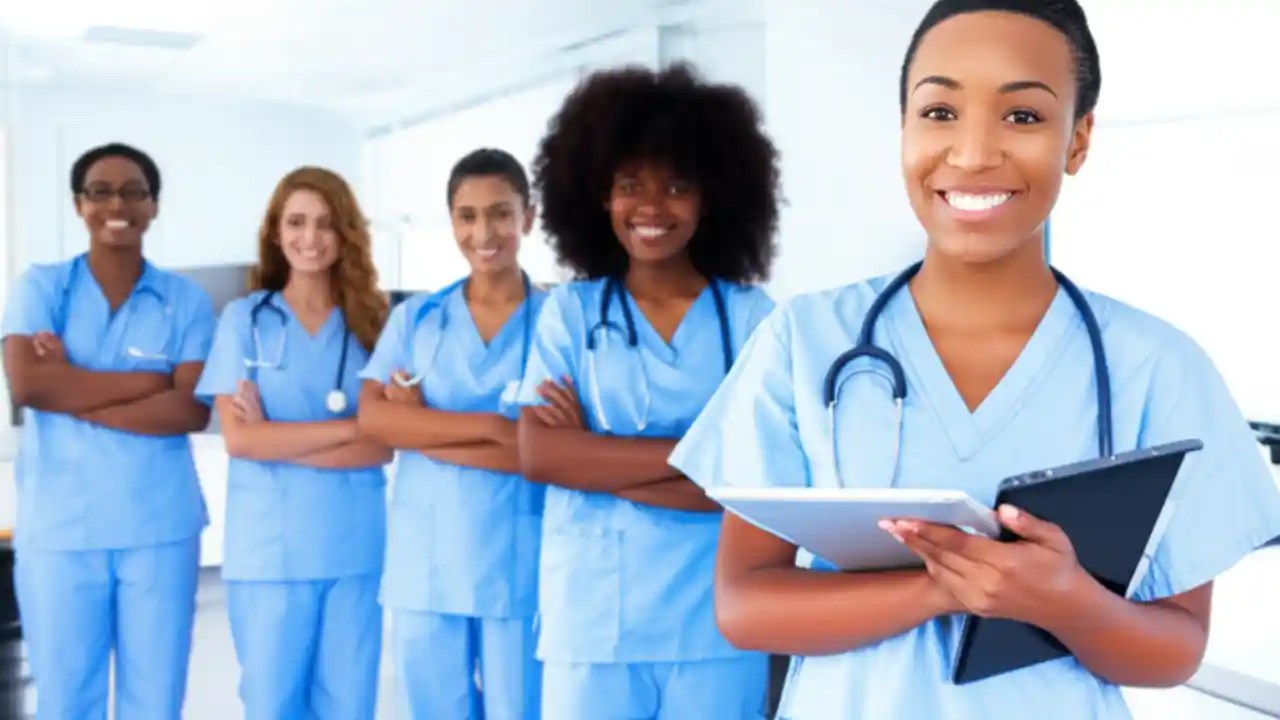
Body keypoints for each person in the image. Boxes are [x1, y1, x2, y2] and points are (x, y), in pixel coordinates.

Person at [667, 1, 1280, 718]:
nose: (973, 151)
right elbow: (745, 606)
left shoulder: (1157, 366)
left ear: (1077, 141)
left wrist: (1067, 602)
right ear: (903, 128)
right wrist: (944, 585)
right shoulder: (804, 341)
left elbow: (1174, 650)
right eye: (939, 111)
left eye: (1023, 116)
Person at [516, 63, 782, 719]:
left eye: (676, 186)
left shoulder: (750, 316)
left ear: (711, 197)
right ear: (598, 197)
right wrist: (701, 460)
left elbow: (755, 481)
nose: (651, 207)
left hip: (715, 619)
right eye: (629, 185)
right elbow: (539, 456)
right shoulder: (571, 312)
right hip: (592, 616)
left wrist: (594, 458)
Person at [1, 142, 215, 719]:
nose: (116, 203)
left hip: (159, 530)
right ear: (79, 205)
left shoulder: (184, 301)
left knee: (156, 700)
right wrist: (149, 382)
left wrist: (72, 383)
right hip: (60, 533)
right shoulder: (43, 287)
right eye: (100, 190)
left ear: (153, 206)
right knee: (68, 701)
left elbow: (191, 409)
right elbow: (28, 387)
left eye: (133, 191)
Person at [194, 167, 392, 719]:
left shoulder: (373, 325)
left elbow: (385, 445)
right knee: (273, 706)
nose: (310, 237)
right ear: (276, 232)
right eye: (296, 222)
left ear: (347, 232)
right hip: (270, 556)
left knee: (349, 706)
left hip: (354, 552)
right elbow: (240, 440)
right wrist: (355, 427)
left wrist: (277, 435)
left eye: (326, 223)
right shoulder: (244, 321)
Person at [357, 148, 547, 719]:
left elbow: (552, 453)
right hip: (426, 566)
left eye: (499, 213)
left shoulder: (559, 321)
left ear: (528, 217)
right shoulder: (417, 319)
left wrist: (421, 425)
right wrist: (495, 427)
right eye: (467, 215)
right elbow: (374, 421)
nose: (483, 232)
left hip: (518, 565)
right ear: (452, 222)